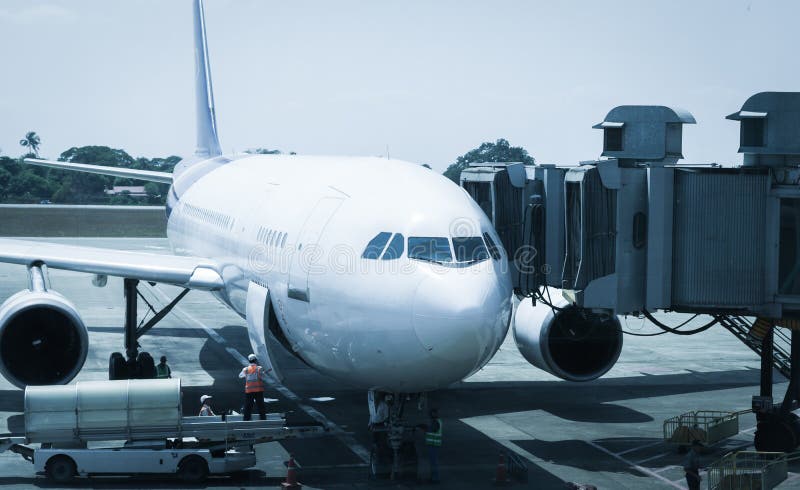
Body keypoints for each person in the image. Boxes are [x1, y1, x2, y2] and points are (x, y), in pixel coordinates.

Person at [238, 354, 271, 421]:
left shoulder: (246, 369)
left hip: (249, 391)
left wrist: (247, 376)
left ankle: (246, 420)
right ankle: (263, 419)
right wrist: (265, 372)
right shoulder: (259, 368)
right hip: (258, 390)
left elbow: (240, 376)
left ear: (249, 361)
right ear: (255, 360)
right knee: (260, 406)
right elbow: (263, 377)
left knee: (248, 406)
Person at [419, 408, 442, 484]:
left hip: (433, 445)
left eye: (432, 414)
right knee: (433, 462)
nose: (430, 415)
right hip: (433, 445)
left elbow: (431, 429)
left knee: (433, 463)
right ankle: (434, 477)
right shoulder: (436, 421)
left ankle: (435, 478)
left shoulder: (436, 422)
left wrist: (423, 427)